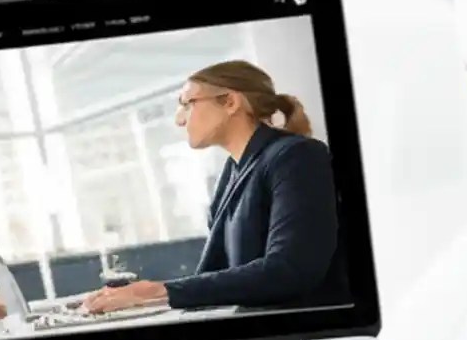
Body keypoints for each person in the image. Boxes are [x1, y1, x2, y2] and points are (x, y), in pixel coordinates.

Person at [81, 60, 347, 315]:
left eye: (187, 104)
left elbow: (290, 269)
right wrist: (143, 296)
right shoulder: (232, 172)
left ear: (230, 102)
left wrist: (162, 291)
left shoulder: (297, 157)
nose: (179, 119)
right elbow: (219, 272)